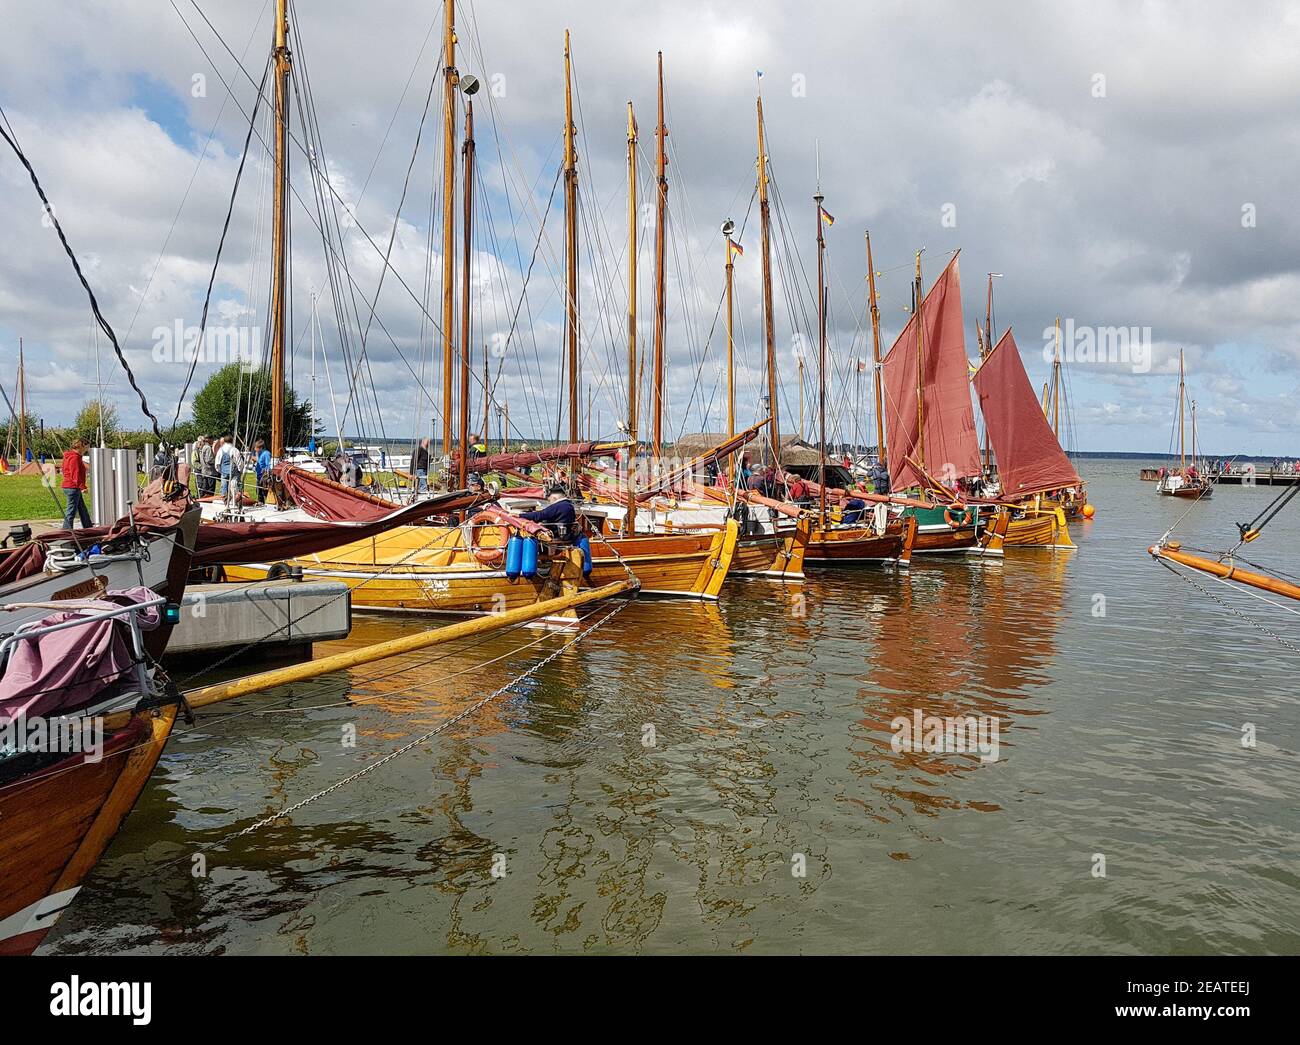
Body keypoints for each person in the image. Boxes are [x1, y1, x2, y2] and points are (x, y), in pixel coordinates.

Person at [61, 440, 92, 529]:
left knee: (82, 509)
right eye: (86, 447)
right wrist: (82, 487)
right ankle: (66, 531)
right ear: (81, 446)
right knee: (71, 511)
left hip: (70, 486)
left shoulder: (69, 456)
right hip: (73, 487)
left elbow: (64, 469)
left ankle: (88, 527)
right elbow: (75, 474)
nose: (86, 449)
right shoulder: (75, 458)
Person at [253, 439, 272, 504]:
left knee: (265, 491)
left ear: (260, 447)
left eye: (256, 448)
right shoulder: (259, 454)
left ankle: (268, 503)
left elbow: (268, 465)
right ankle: (261, 502)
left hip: (264, 477)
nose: (255, 449)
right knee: (258, 491)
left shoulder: (266, 454)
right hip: (259, 476)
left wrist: (266, 475)